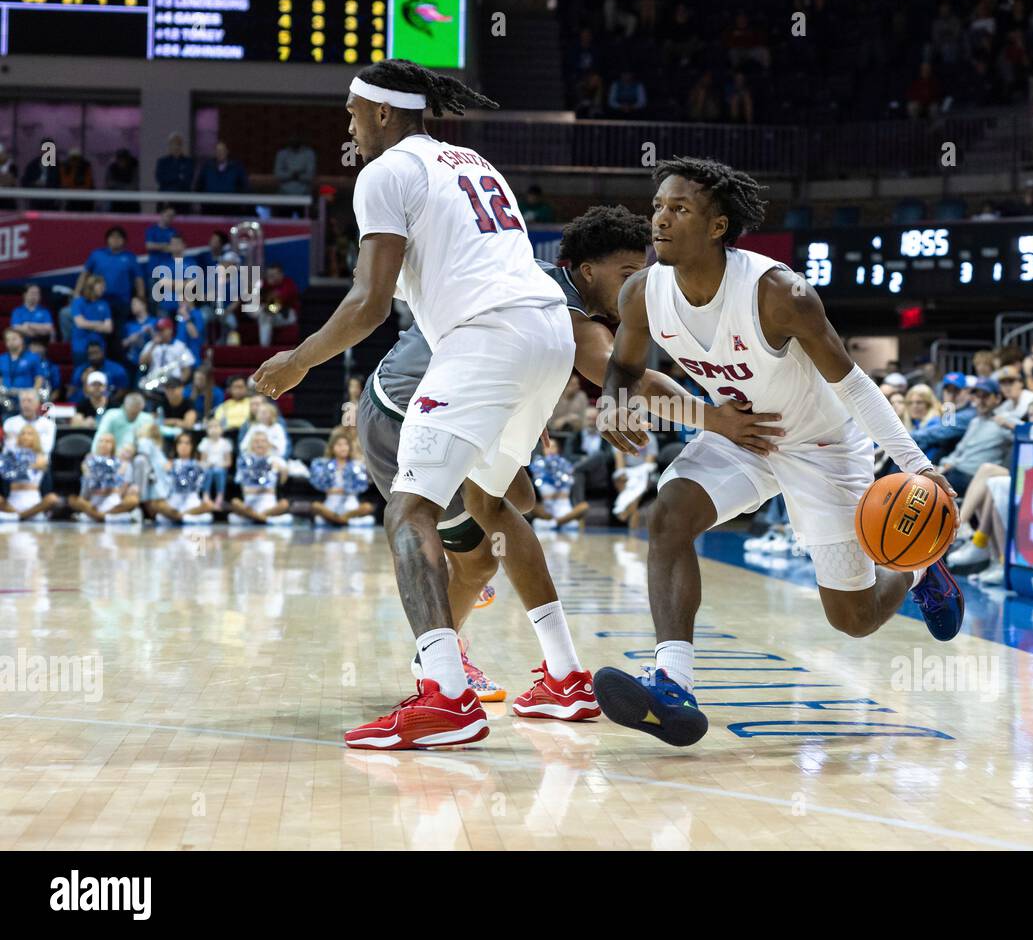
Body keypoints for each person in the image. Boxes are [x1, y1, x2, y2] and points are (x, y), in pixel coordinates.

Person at [249, 61, 594, 749]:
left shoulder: (383, 172)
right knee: (492, 505)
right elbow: (438, 274)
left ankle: (445, 695)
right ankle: (566, 677)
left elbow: (369, 303)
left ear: (381, 112)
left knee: (409, 510)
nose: (348, 124)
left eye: (352, 112)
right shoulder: (472, 163)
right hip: (549, 331)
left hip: (488, 337)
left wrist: (299, 359)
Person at [594, 156, 963, 748]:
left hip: (822, 445)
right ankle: (673, 685)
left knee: (854, 620)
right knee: (668, 517)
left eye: (679, 208)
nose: (660, 220)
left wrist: (916, 465)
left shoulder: (779, 292)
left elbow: (852, 382)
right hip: (743, 434)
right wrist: (613, 403)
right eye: (658, 207)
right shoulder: (643, 292)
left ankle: (919, 563)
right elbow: (625, 367)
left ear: (717, 227)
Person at [353, 202, 777, 705]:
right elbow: (628, 379)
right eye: (625, 273)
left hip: (469, 401)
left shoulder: (542, 282)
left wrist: (525, 411)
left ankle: (545, 670)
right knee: (485, 551)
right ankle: (447, 666)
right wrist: (718, 418)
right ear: (586, 271)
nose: (633, 286)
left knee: (515, 506)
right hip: (405, 411)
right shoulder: (565, 309)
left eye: (640, 273)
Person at [936, 378, 1013, 494]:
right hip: (956, 470)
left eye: (985, 396)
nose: (981, 400)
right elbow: (960, 449)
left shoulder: (1003, 419)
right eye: (977, 396)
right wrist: (944, 465)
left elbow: (1026, 433)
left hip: (972, 476)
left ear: (997, 398)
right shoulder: (975, 421)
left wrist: (1011, 426)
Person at [75, 227, 145, 326]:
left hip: (122, 302)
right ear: (107, 239)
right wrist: (77, 293)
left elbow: (139, 279)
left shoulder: (130, 257)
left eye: (119, 237)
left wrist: (140, 298)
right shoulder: (97, 255)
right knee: (98, 329)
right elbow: (84, 274)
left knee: (118, 332)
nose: (115, 240)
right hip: (98, 300)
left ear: (124, 240)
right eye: (112, 237)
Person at [309, 428, 375, 526]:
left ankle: (338, 519)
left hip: (351, 504)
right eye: (339, 445)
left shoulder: (356, 465)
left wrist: (344, 490)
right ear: (332, 448)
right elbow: (318, 482)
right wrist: (331, 490)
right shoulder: (324, 465)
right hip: (331, 503)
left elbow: (362, 485)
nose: (343, 448)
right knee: (315, 506)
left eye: (345, 445)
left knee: (368, 507)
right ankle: (344, 520)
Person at [67, 433, 139, 523]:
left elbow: (121, 488)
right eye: (101, 441)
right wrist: (86, 472)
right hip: (93, 499)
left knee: (133, 500)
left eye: (107, 442)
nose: (103, 444)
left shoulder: (120, 462)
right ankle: (108, 518)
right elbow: (86, 486)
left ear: (113, 445)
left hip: (111, 500)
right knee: (72, 500)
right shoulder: (89, 460)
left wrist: (110, 489)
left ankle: (94, 516)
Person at [148, 430, 215, 525]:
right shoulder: (168, 463)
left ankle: (179, 516)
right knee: (156, 505)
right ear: (176, 446)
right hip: (174, 499)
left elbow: (186, 484)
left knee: (209, 506)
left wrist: (174, 470)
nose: (183, 446)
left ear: (192, 446)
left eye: (187, 443)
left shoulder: (197, 465)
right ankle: (181, 516)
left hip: (191, 499)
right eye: (180, 443)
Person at [228, 430, 293, 525]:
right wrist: (263, 488)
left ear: (268, 444)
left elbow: (283, 482)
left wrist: (282, 470)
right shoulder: (244, 460)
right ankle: (266, 519)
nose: (260, 444)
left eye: (263, 441)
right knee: (235, 503)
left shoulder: (275, 459)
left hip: (270, 506)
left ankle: (254, 517)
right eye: (256, 441)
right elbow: (246, 490)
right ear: (251, 444)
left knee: (284, 504)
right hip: (250, 504)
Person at [0, 425, 61, 522]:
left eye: (29, 434)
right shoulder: (10, 455)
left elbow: (34, 466)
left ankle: (18, 516)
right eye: (23, 433)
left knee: (52, 499)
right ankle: (23, 515)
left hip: (33, 501)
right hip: (12, 502)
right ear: (18, 437)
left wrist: (14, 464)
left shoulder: (41, 457)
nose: (25, 436)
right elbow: (5, 471)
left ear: (35, 438)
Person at [66, 275, 114, 365]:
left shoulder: (104, 304)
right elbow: (80, 323)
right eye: (100, 286)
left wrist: (88, 324)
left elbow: (109, 328)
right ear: (92, 286)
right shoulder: (78, 302)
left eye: (104, 287)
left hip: (99, 347)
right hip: (80, 347)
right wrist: (99, 324)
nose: (103, 289)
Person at [139, 318, 196, 387]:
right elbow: (142, 363)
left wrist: (181, 383)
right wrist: (153, 345)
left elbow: (187, 366)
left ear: (170, 330)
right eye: (158, 330)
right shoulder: (151, 344)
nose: (160, 332)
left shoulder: (179, 346)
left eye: (162, 330)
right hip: (154, 383)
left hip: (173, 383)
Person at [3, 389, 55, 454]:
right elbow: (8, 449)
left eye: (29, 401)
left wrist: (18, 440)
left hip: (40, 462)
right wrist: (36, 441)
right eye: (23, 401)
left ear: (37, 404)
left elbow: (46, 449)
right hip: (14, 462)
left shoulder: (48, 424)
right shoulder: (10, 423)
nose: (26, 405)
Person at [198, 418, 233, 509]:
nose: (214, 429)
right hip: (208, 467)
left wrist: (220, 465)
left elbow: (228, 462)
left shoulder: (225, 443)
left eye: (216, 426)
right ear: (207, 430)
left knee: (219, 472)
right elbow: (202, 461)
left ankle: (219, 496)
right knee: (207, 473)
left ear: (221, 429)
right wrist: (206, 465)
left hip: (220, 467)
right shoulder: (205, 442)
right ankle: (206, 496)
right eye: (211, 427)